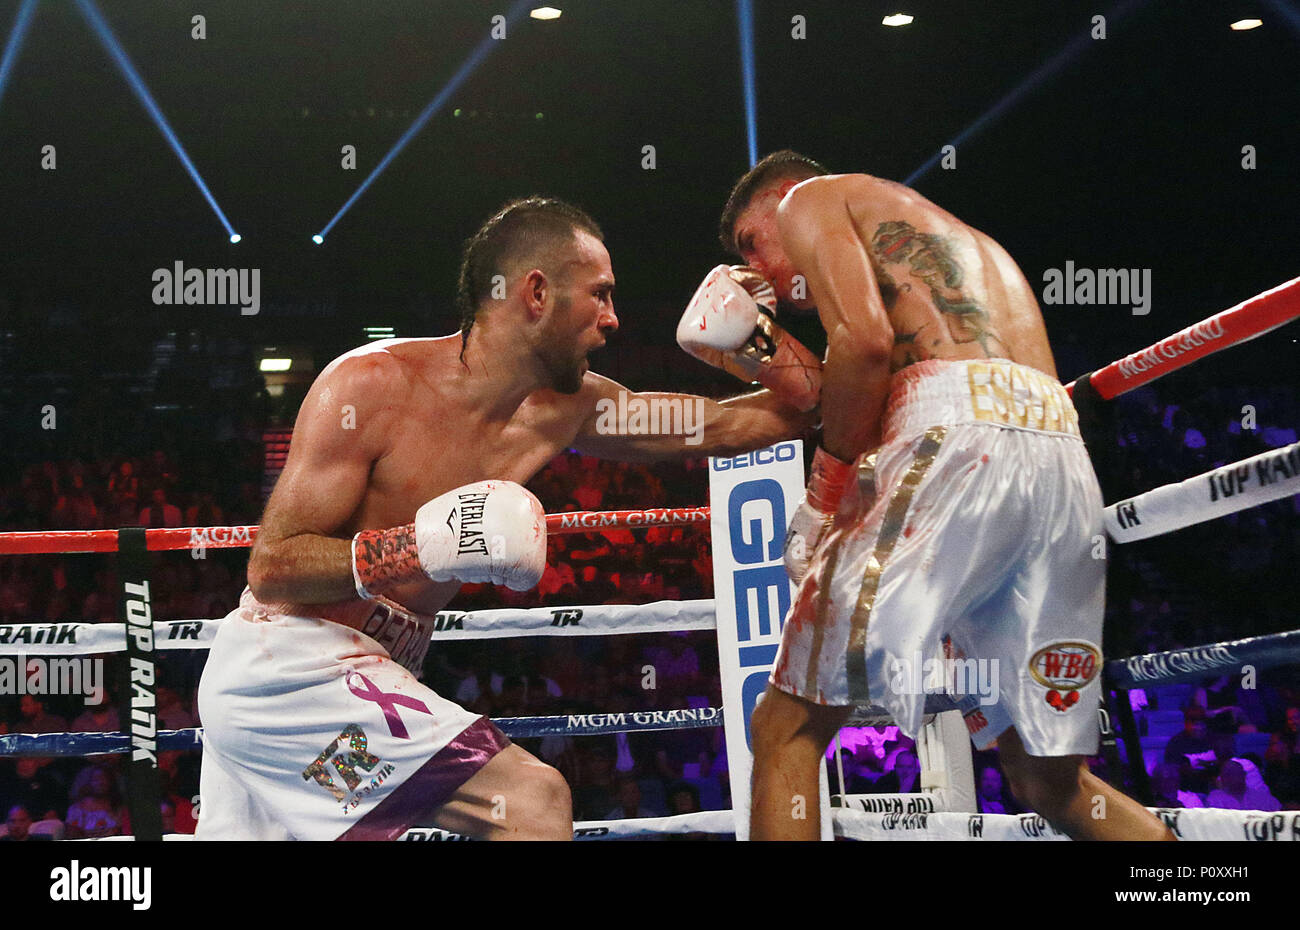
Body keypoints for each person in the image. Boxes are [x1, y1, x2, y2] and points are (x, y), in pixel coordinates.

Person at [195, 196, 813, 842]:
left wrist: (768, 348)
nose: (613, 319)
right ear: (537, 293)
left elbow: (722, 427)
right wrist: (418, 548)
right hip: (287, 671)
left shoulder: (566, 408)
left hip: (353, 678)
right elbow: (271, 568)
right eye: (599, 295)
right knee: (530, 802)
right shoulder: (368, 388)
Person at [717, 150, 1174, 840]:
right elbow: (848, 376)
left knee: (786, 726)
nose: (766, 278)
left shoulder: (808, 200)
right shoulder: (963, 239)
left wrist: (822, 497)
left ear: (781, 197)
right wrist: (756, 340)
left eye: (754, 247)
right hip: (1057, 454)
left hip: (953, 438)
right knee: (1051, 781)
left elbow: (865, 346)